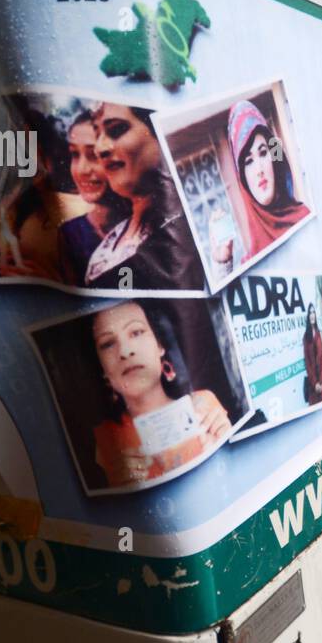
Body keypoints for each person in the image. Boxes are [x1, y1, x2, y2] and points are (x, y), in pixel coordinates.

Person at [89, 301, 232, 489]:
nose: (125, 351)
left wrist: (227, 444)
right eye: (107, 344)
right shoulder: (104, 441)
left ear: (160, 345)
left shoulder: (203, 405)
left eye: (136, 332)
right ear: (103, 368)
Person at [84, 102, 204, 292]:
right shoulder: (110, 243)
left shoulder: (193, 225)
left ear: (157, 131)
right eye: (97, 135)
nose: (100, 148)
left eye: (116, 130)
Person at [209, 99, 310, 278]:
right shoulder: (250, 266)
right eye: (248, 161)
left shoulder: (305, 218)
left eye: (263, 153)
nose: (259, 170)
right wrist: (222, 264)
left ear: (274, 159)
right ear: (243, 178)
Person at [0, 104, 87, 281]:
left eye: (31, 146)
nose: (25, 157)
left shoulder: (78, 208)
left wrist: (50, 279)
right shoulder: (22, 200)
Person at [58, 113, 129, 285]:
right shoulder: (69, 235)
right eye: (75, 154)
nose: (81, 169)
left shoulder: (147, 226)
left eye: (93, 155)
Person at [302, 303, 322, 405]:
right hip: (313, 386)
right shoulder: (306, 337)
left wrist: (320, 382)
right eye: (310, 313)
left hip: (321, 384)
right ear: (308, 316)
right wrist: (315, 383)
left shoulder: (318, 333)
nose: (312, 315)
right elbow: (307, 363)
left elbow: (321, 360)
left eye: (313, 312)